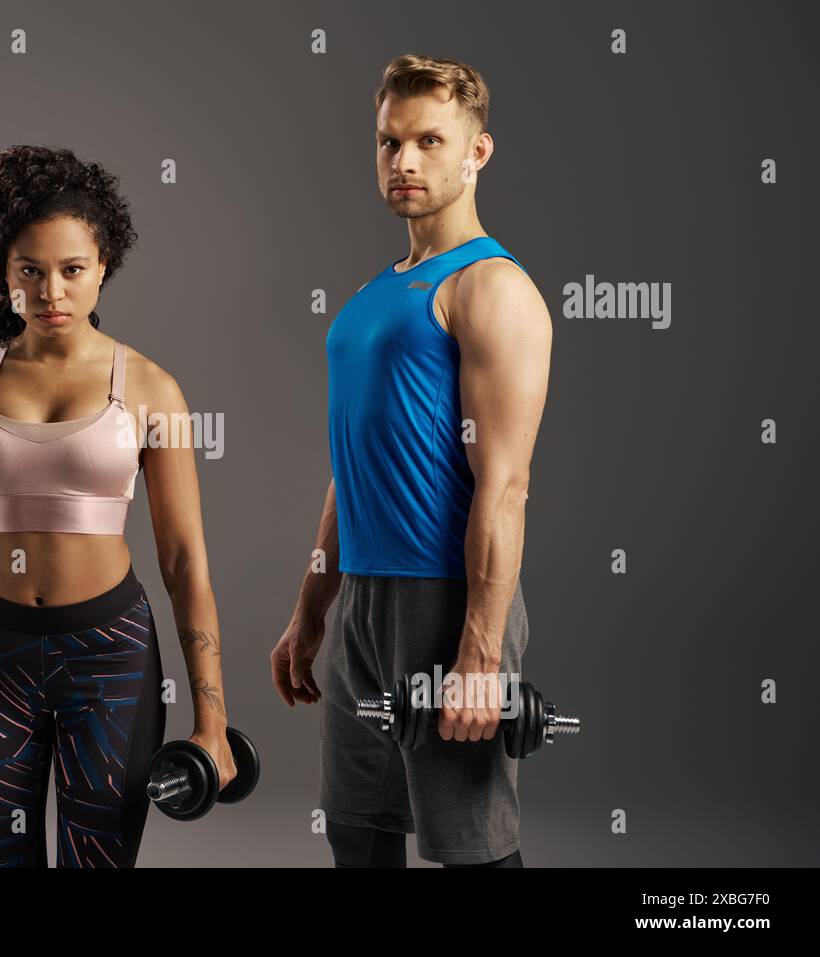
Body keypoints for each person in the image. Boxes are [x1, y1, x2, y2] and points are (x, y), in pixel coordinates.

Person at [0, 145, 235, 868]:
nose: (52, 290)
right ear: (2, 274)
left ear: (102, 266)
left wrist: (213, 714)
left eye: (72, 269)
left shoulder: (152, 388)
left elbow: (183, 560)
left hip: (109, 656)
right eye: (30, 271)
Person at [270, 55, 553, 867]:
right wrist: (311, 608)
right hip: (364, 598)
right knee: (358, 835)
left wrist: (479, 654)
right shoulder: (372, 296)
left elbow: (505, 486)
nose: (404, 161)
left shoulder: (490, 288)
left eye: (430, 140)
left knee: (472, 848)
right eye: (390, 142)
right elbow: (352, 467)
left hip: (445, 600)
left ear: (478, 152)